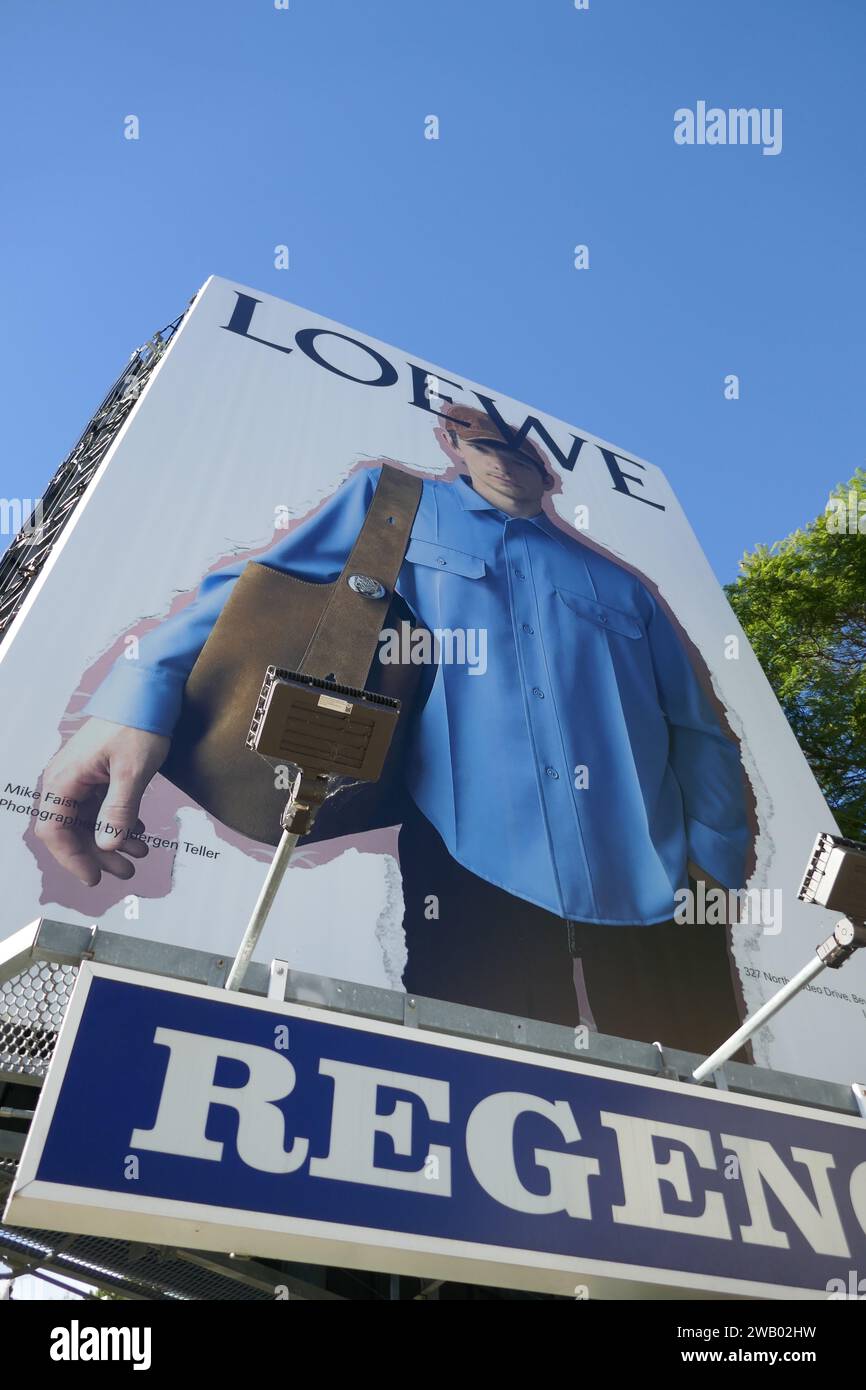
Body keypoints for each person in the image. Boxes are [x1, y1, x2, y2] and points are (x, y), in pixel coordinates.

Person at [36, 405, 752, 1053]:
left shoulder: (624, 588)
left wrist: (711, 872)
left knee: (721, 1120)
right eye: (483, 445)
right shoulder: (392, 506)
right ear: (453, 448)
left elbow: (698, 733)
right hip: (467, 870)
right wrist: (138, 695)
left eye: (523, 455)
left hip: (661, 894)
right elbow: (255, 597)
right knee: (477, 1099)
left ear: (551, 477)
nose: (504, 461)